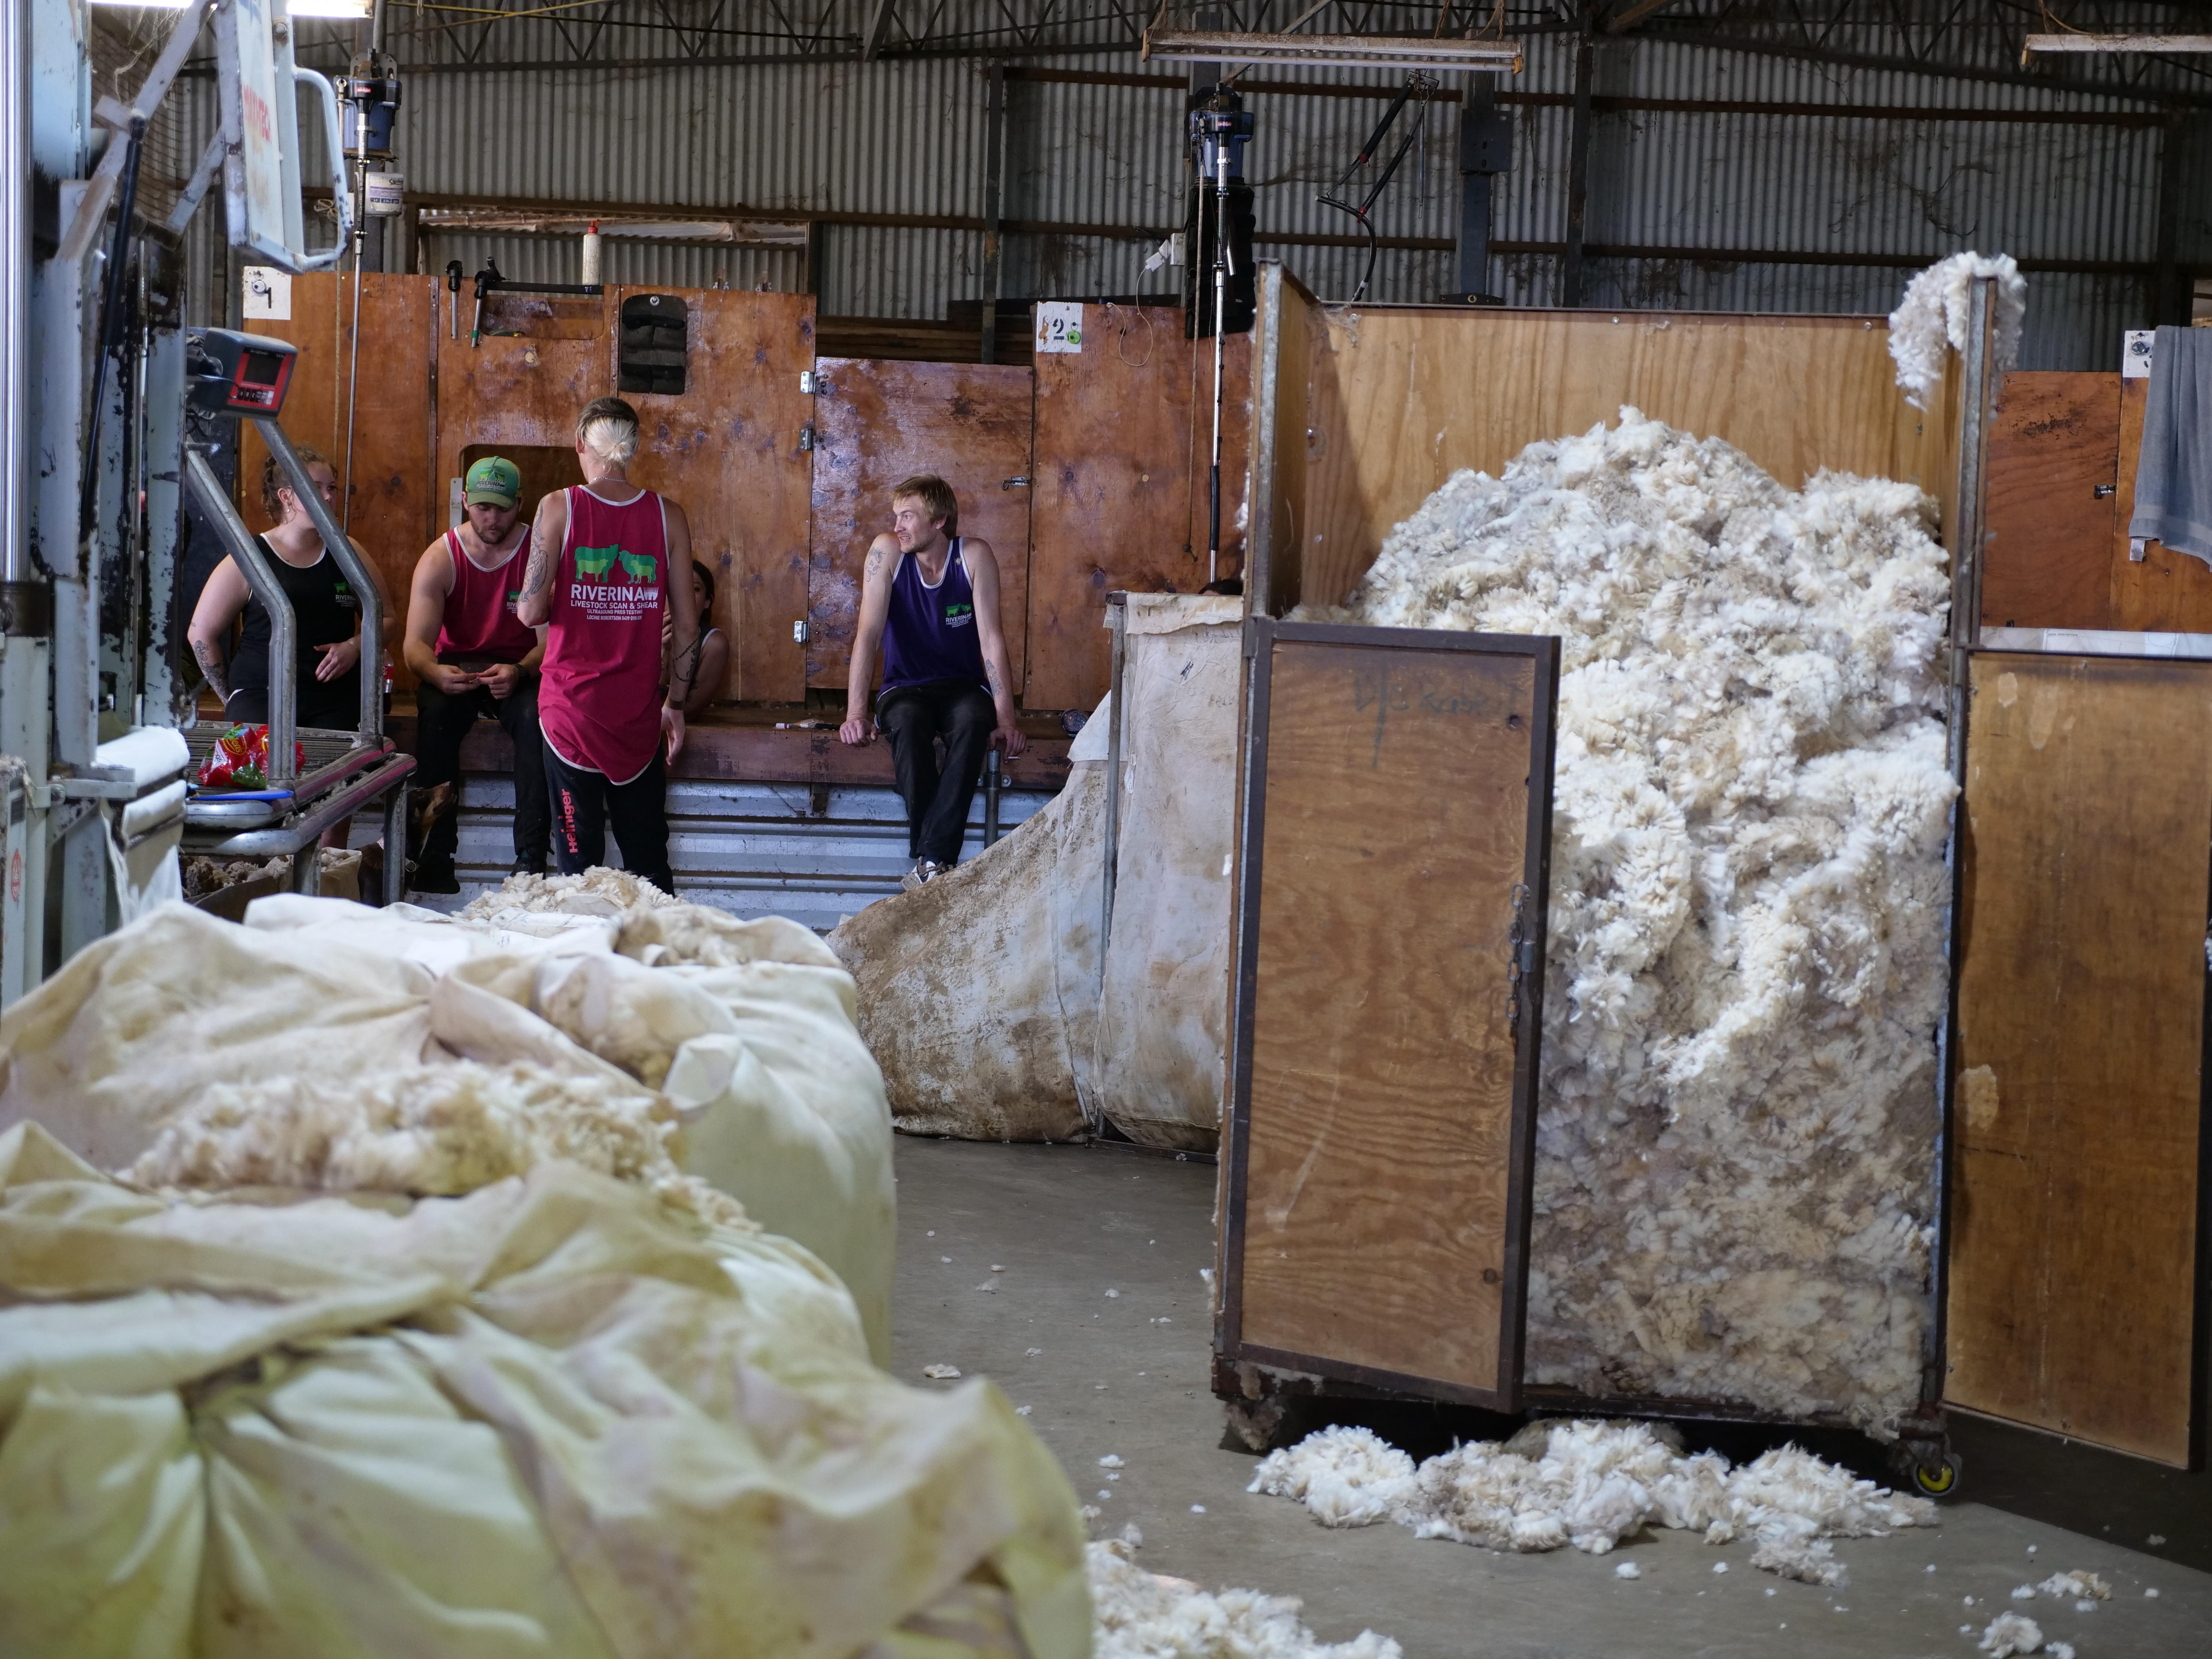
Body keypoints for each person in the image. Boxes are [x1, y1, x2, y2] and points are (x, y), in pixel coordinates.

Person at [516, 396, 698, 893]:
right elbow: (687, 628)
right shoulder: (668, 516)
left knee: (579, 872)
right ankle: (658, 945)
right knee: (650, 866)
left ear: (581, 444)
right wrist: (676, 704)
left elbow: (529, 612)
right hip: (637, 718)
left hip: (570, 714)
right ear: (634, 448)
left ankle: (586, 943)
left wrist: (567, 596)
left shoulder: (558, 507)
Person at [838, 473, 1024, 883]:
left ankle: (928, 862)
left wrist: (1006, 720)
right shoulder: (888, 551)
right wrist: (855, 714)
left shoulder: (973, 555)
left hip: (963, 687)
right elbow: (868, 635)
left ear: (939, 520)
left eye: (908, 516)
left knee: (975, 722)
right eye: (896, 516)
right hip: (904, 686)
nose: (898, 526)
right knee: (907, 723)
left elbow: (992, 641)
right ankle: (935, 861)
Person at [401, 455, 549, 890]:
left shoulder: (538, 555)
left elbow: (552, 643)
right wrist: (436, 674)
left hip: (520, 667)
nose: (492, 518)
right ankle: (433, 857)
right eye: (483, 507)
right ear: (465, 501)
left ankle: (531, 858)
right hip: (457, 668)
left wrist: (520, 671)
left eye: (502, 508)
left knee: (537, 719)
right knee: (436, 717)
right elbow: (414, 646)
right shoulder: (441, 557)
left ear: (519, 504)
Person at [186, 445, 368, 731]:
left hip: (332, 695)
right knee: (261, 752)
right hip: (261, 693)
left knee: (339, 754)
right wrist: (230, 696)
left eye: (332, 488)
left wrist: (354, 646)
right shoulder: (250, 555)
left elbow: (387, 619)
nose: (328, 497)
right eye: (315, 488)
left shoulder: (349, 552)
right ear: (285, 496)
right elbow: (200, 634)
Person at [665, 559, 729, 717]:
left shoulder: (713, 644)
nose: (684, 596)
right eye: (673, 587)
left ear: (707, 601)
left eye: (695, 589)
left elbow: (690, 710)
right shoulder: (640, 634)